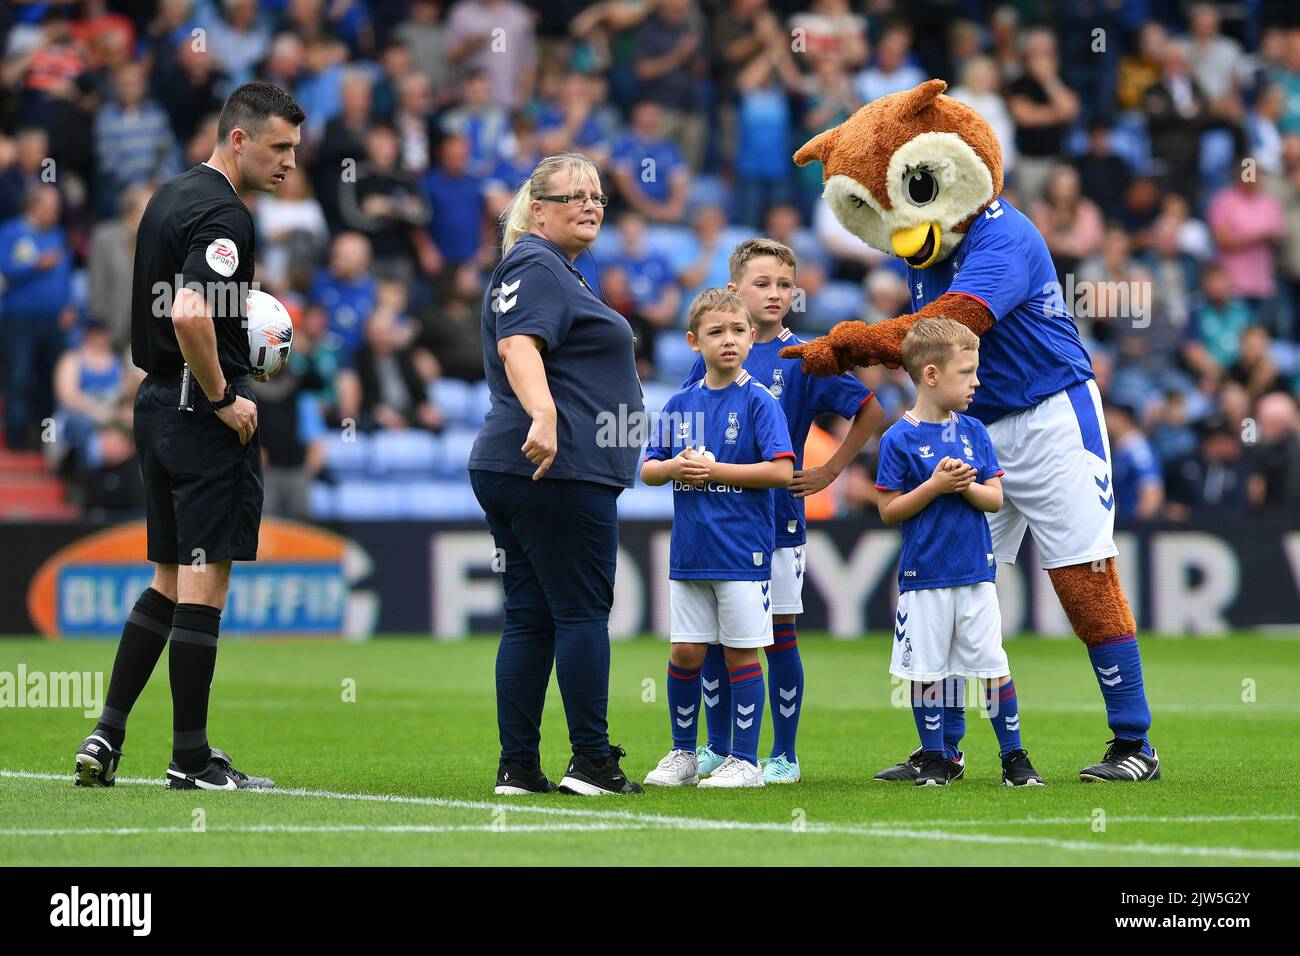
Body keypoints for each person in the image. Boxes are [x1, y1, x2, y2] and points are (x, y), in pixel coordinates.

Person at [73, 82, 305, 792]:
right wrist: (225, 395)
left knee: (168, 580)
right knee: (205, 584)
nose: (290, 164)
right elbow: (191, 312)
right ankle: (192, 757)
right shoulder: (226, 214)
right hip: (199, 415)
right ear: (239, 139)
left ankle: (106, 734)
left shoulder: (170, 196)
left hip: (152, 408)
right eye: (280, 147)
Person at [468, 153, 645, 796]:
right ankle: (592, 762)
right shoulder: (539, 264)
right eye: (573, 196)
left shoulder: (546, 269)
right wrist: (544, 415)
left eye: (597, 195)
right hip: (557, 466)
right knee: (580, 614)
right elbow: (521, 345)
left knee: (530, 617)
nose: (590, 204)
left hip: (518, 464)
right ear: (537, 210)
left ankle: (518, 766)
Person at [682, 239, 881, 783]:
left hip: (776, 521)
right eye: (762, 283)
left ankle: (784, 755)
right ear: (733, 290)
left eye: (784, 285)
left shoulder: (804, 357)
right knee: (722, 638)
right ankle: (718, 750)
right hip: (720, 523)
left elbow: (871, 410)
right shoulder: (713, 355)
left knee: (777, 634)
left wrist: (831, 471)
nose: (775, 294)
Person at [872, 318, 1043, 788]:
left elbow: (995, 498)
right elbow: (889, 510)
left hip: (974, 573)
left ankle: (1014, 758)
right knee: (927, 670)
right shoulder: (897, 439)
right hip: (923, 575)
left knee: (991, 666)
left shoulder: (973, 431)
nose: (976, 382)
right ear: (931, 375)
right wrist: (934, 485)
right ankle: (936, 757)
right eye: (966, 372)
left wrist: (964, 485)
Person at [641, 288, 794, 789]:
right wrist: (671, 467)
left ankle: (744, 761)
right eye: (716, 332)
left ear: (751, 337)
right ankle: (685, 753)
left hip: (742, 551)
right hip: (690, 551)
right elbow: (647, 469)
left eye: (737, 331)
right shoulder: (680, 403)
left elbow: (780, 471)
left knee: (739, 654)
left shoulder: (760, 402)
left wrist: (713, 469)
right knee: (685, 653)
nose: (728, 341)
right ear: (693, 341)